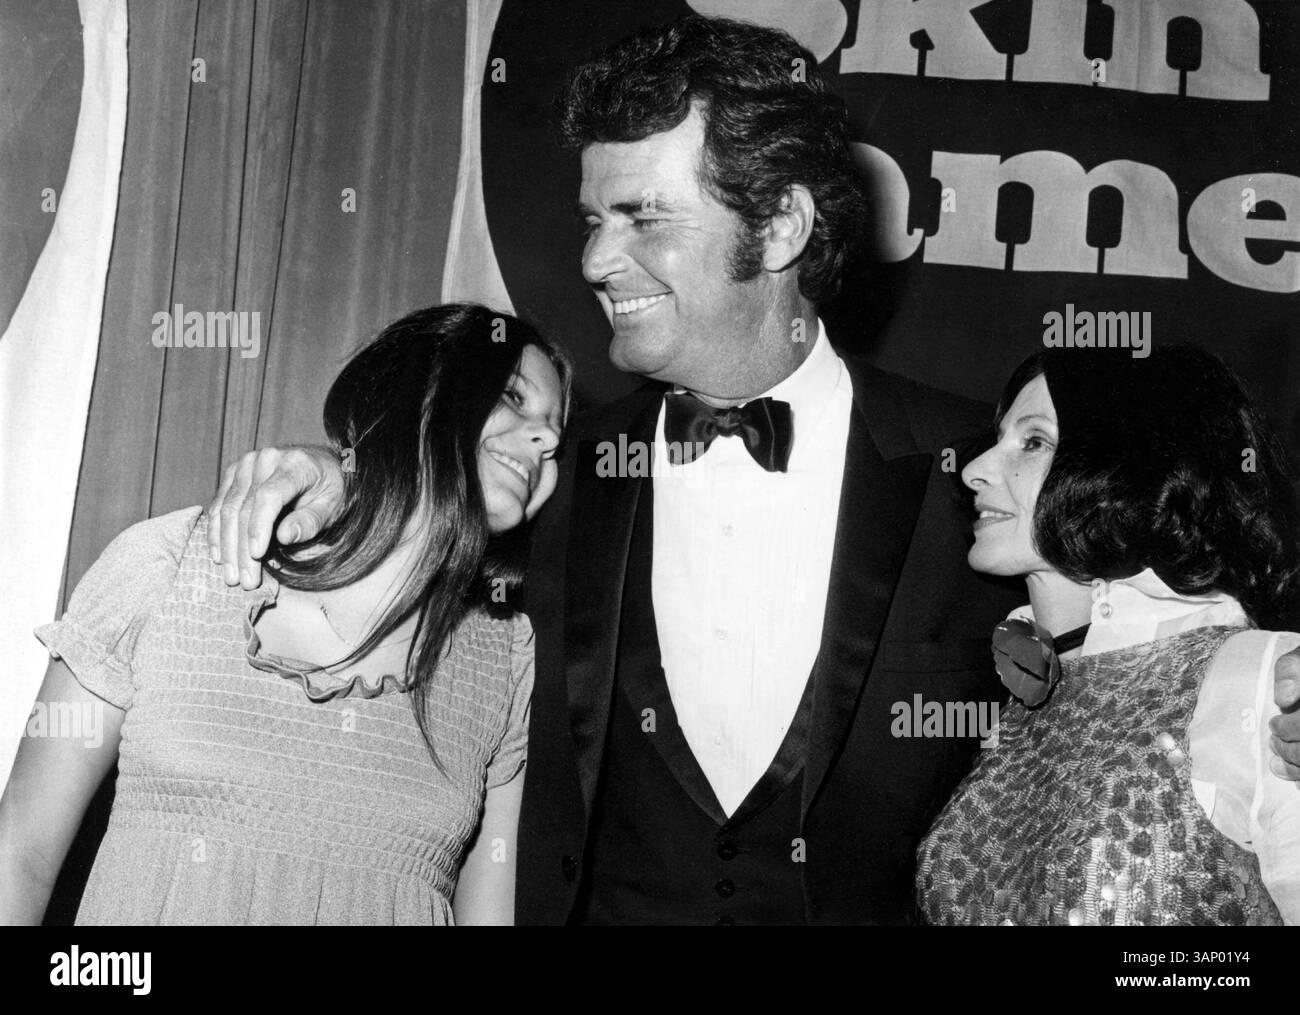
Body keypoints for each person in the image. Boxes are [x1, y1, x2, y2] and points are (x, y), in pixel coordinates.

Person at [202, 15, 1300, 924]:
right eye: (591, 219)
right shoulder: (551, 468)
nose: (591, 260)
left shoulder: (976, 468)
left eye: (641, 218)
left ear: (777, 225)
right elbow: (408, 522)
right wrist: (336, 468)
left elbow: (1171, 614)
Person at [0, 303, 569, 925]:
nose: (545, 439)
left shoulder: (509, 658)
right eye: (514, 398)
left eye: (553, 430)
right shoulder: (173, 564)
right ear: (422, 394)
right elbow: (21, 854)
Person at [916, 345, 1300, 925]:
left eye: (1034, 441)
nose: (974, 470)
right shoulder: (1023, 697)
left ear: (1132, 471)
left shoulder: (1259, 678)